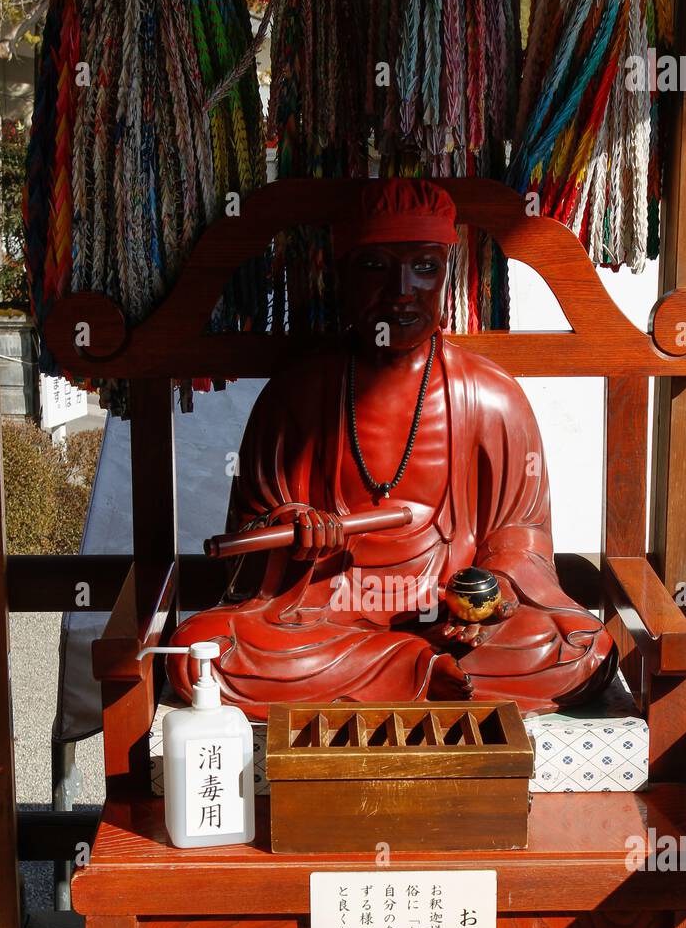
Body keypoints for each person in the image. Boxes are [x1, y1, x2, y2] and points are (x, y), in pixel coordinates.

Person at [167, 177, 616, 720]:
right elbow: (248, 543)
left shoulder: (493, 399)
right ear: (342, 276)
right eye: (376, 267)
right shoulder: (297, 395)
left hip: (449, 617)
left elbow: (521, 536)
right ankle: (417, 670)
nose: (403, 290)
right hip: (328, 613)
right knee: (205, 654)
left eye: (424, 266)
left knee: (579, 645)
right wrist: (296, 534)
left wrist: (489, 590)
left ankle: (410, 668)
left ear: (446, 275)